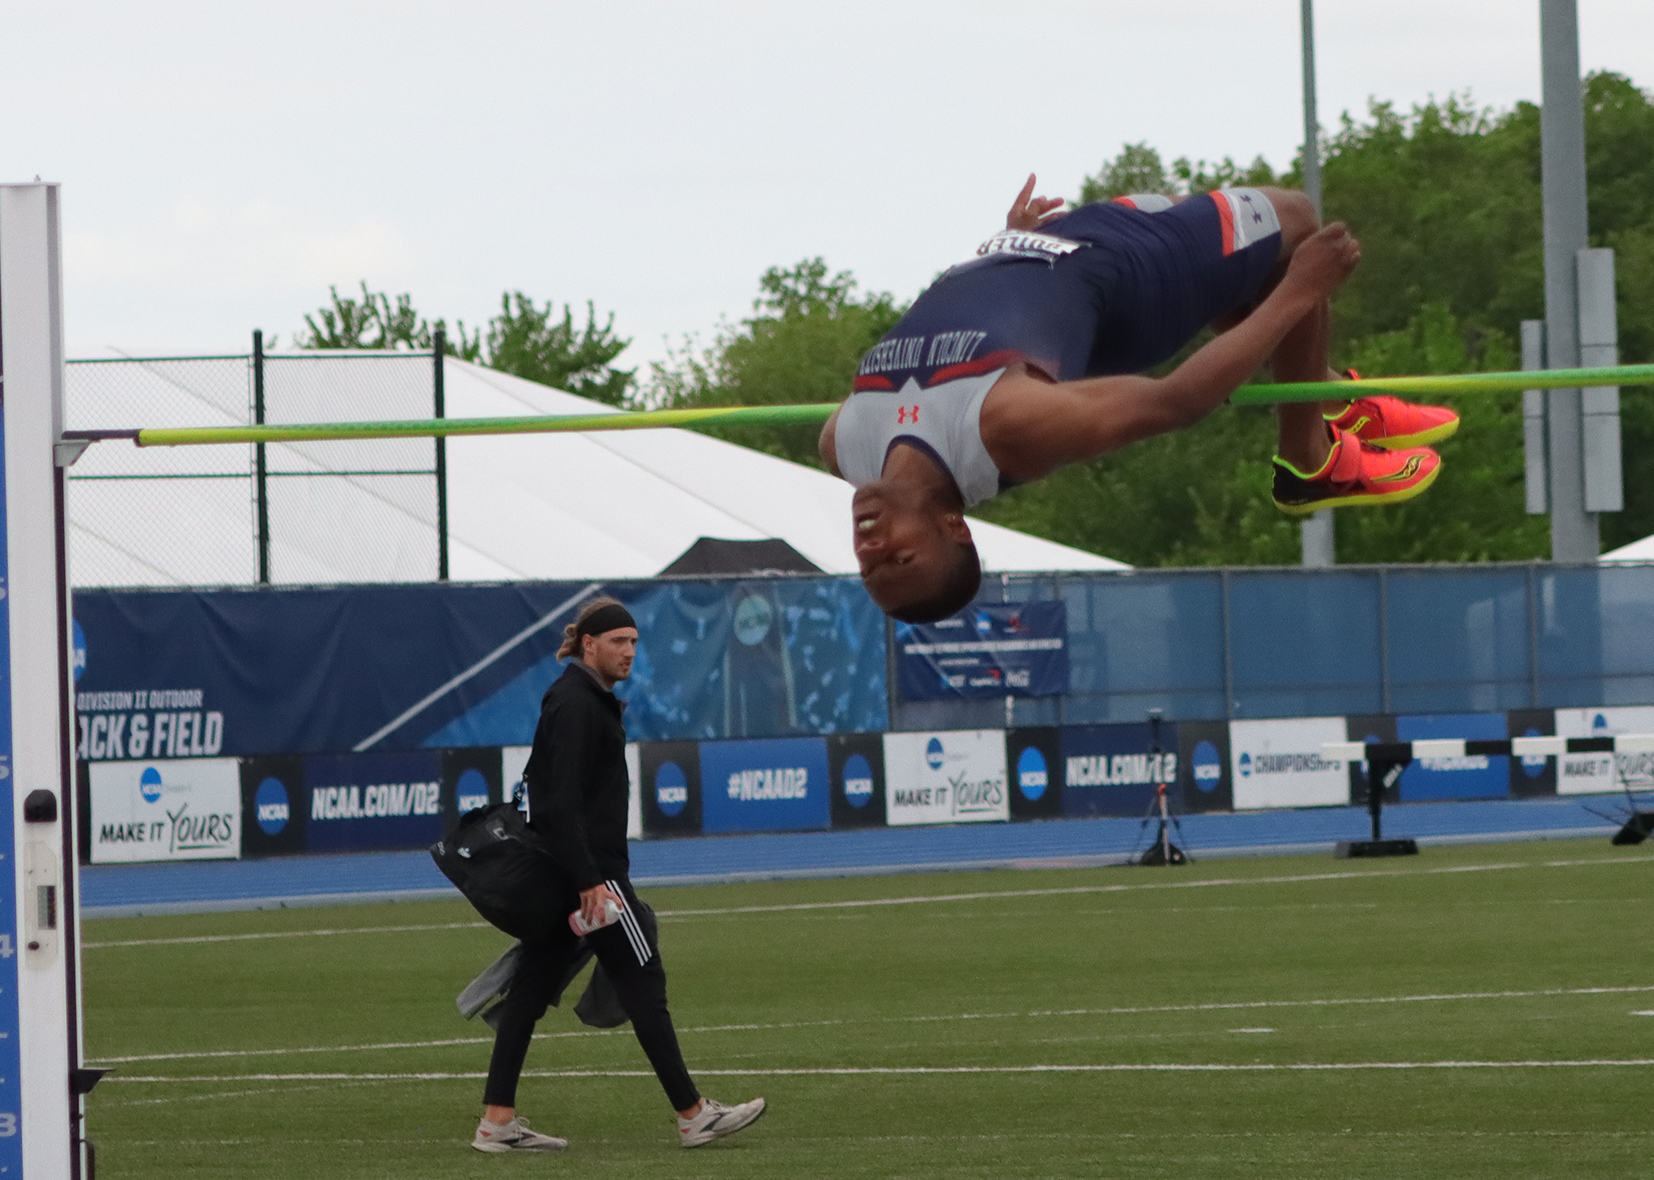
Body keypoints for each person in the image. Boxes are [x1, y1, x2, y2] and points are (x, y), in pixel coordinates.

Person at [820, 175, 1459, 622]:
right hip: (1124, 281)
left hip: (1047, 249)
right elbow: (1174, 402)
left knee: (1229, 256)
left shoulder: (843, 445)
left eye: (872, 568)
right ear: (952, 526)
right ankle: (1310, 457)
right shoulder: (1004, 430)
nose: (871, 548)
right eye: (900, 557)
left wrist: (1003, 251)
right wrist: (1300, 289)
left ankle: (1320, 398)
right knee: (1292, 222)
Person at [471, 596, 765, 1153]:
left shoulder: (581, 697)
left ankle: (497, 1122)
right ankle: (693, 1114)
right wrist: (589, 882)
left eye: (634, 641)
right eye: (618, 642)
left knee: (531, 993)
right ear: (589, 644)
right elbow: (558, 801)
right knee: (643, 984)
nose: (629, 651)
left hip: (570, 873)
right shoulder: (577, 701)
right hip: (591, 879)